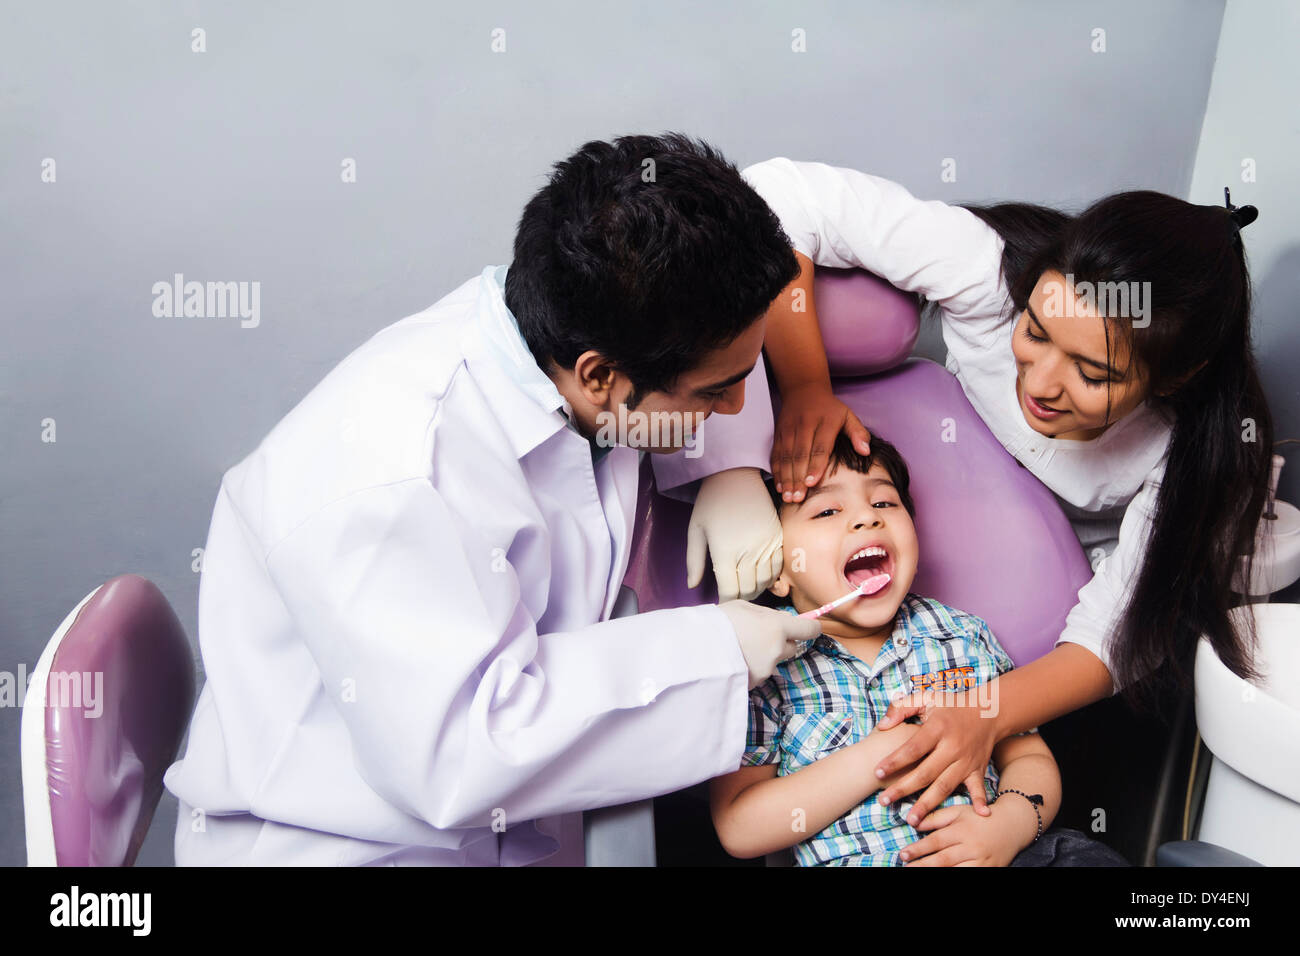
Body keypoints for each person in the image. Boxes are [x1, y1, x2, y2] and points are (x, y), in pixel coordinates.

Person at [163, 133, 820, 866]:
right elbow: (461, 754)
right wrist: (716, 649)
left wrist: (729, 468)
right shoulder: (398, 475)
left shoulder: (579, 328)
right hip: (344, 845)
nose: (736, 407)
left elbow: (709, 332)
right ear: (600, 376)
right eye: (715, 394)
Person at [731, 157, 1273, 825]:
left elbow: (1117, 632)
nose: (1041, 384)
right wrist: (807, 383)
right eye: (1038, 334)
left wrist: (985, 716)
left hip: (1050, 599)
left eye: (1091, 373)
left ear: (1173, 377)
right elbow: (779, 193)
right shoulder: (988, 277)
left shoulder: (1183, 454)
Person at [709, 430, 1127, 866]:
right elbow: (740, 827)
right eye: (828, 510)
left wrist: (1011, 823)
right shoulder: (764, 669)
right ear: (777, 569)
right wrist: (880, 753)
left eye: (885, 503)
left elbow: (1028, 757)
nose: (867, 519)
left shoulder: (961, 636)